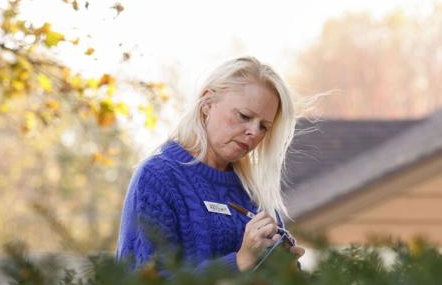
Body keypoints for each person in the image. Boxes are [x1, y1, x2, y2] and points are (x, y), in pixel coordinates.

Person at [116, 56, 305, 272]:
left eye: (264, 126)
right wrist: (240, 261)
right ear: (207, 104)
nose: (253, 132)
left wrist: (286, 270)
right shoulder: (158, 177)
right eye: (244, 116)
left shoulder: (255, 194)